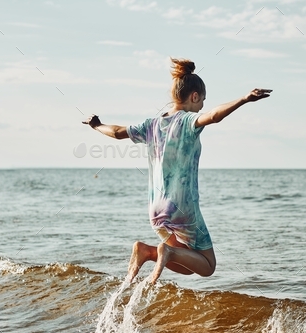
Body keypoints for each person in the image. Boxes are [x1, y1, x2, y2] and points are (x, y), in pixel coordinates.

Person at [82, 58, 272, 284]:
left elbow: (117, 132)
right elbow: (213, 116)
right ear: (194, 96)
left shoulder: (151, 125)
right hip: (183, 208)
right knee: (208, 266)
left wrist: (96, 125)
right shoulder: (189, 121)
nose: (202, 105)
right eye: (202, 100)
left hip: (156, 210)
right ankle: (165, 252)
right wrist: (243, 99)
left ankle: (147, 251)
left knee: (187, 265)